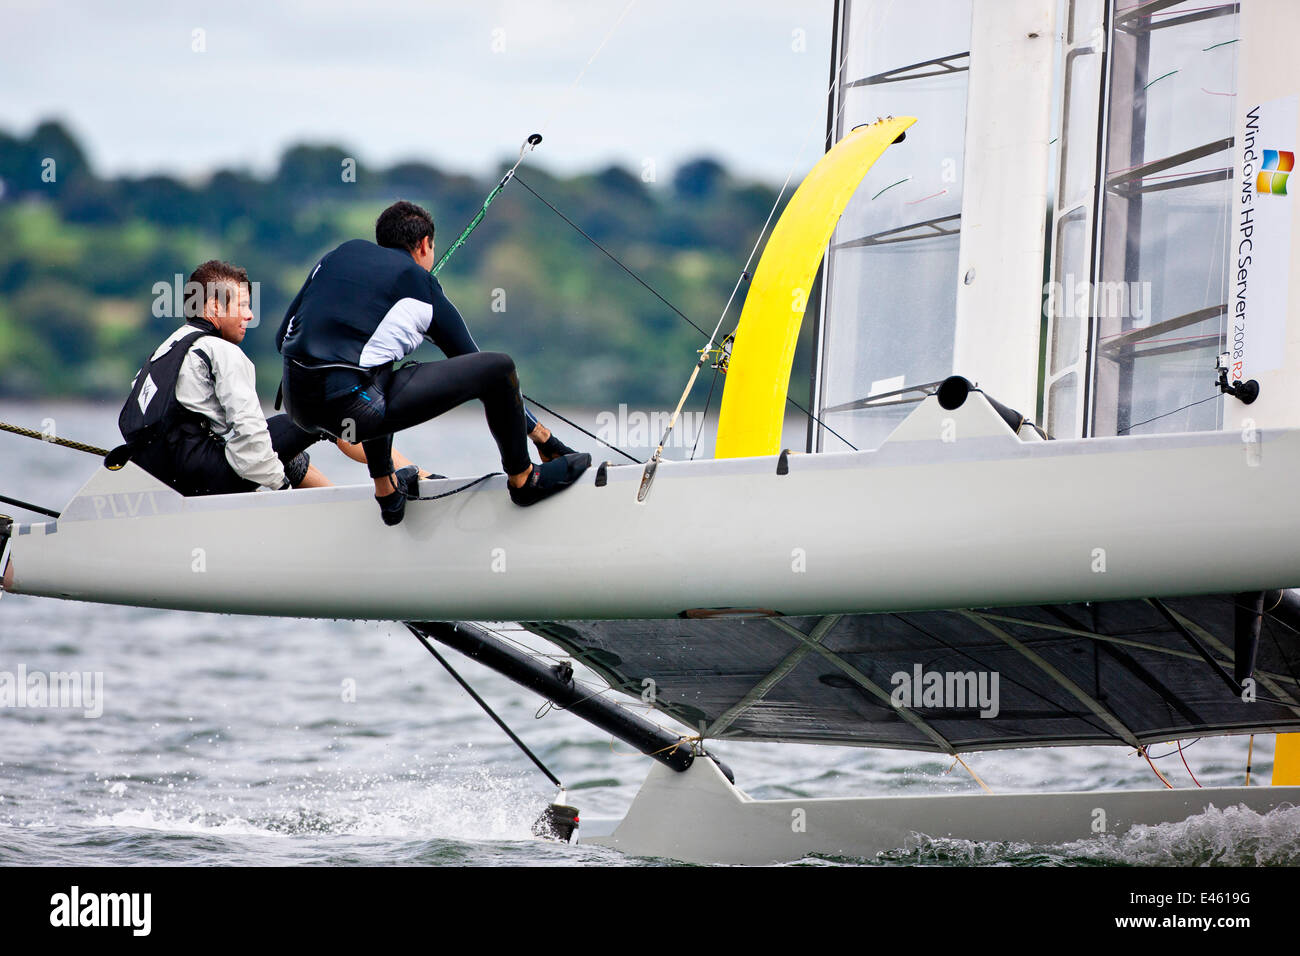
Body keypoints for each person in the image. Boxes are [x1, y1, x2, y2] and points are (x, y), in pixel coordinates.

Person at [276, 200, 589, 525]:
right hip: (354, 408)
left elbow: (282, 338)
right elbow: (481, 367)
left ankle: (387, 491)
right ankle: (525, 479)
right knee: (500, 367)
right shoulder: (420, 283)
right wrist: (544, 438)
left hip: (298, 407)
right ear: (425, 244)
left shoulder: (338, 255)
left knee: (378, 370)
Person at [116, 260, 333, 496]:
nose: (250, 315)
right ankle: (368, 485)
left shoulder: (162, 352)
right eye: (243, 305)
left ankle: (334, 498)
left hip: (158, 478)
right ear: (215, 307)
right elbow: (251, 430)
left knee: (275, 453)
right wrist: (281, 485)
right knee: (315, 415)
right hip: (200, 477)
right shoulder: (221, 350)